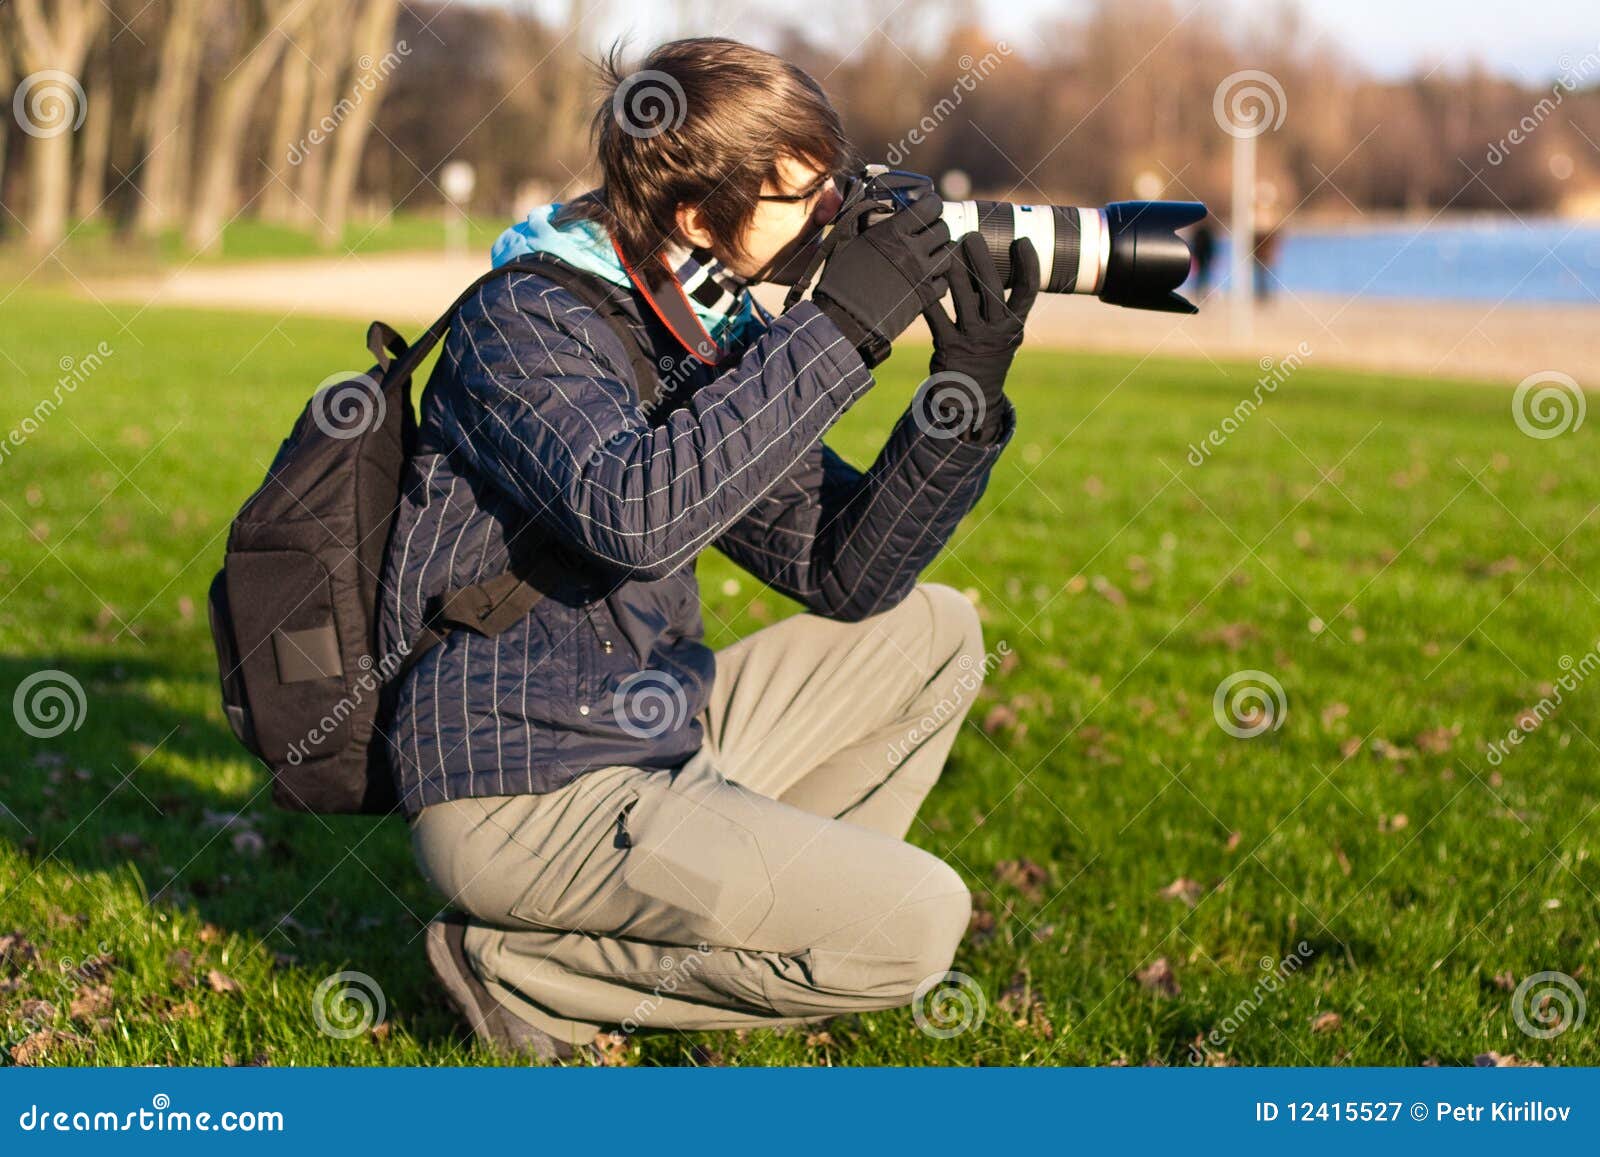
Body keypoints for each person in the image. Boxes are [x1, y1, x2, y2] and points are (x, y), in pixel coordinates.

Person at [377, 37, 1039, 1060]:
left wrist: (964, 387)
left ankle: (778, 917)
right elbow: (631, 512)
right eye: (804, 194)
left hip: (649, 734)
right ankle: (525, 971)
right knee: (913, 926)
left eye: (834, 185)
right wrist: (841, 325)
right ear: (695, 215)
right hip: (523, 783)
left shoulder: (696, 329)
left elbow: (843, 570)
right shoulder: (524, 324)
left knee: (935, 631)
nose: (831, 215)